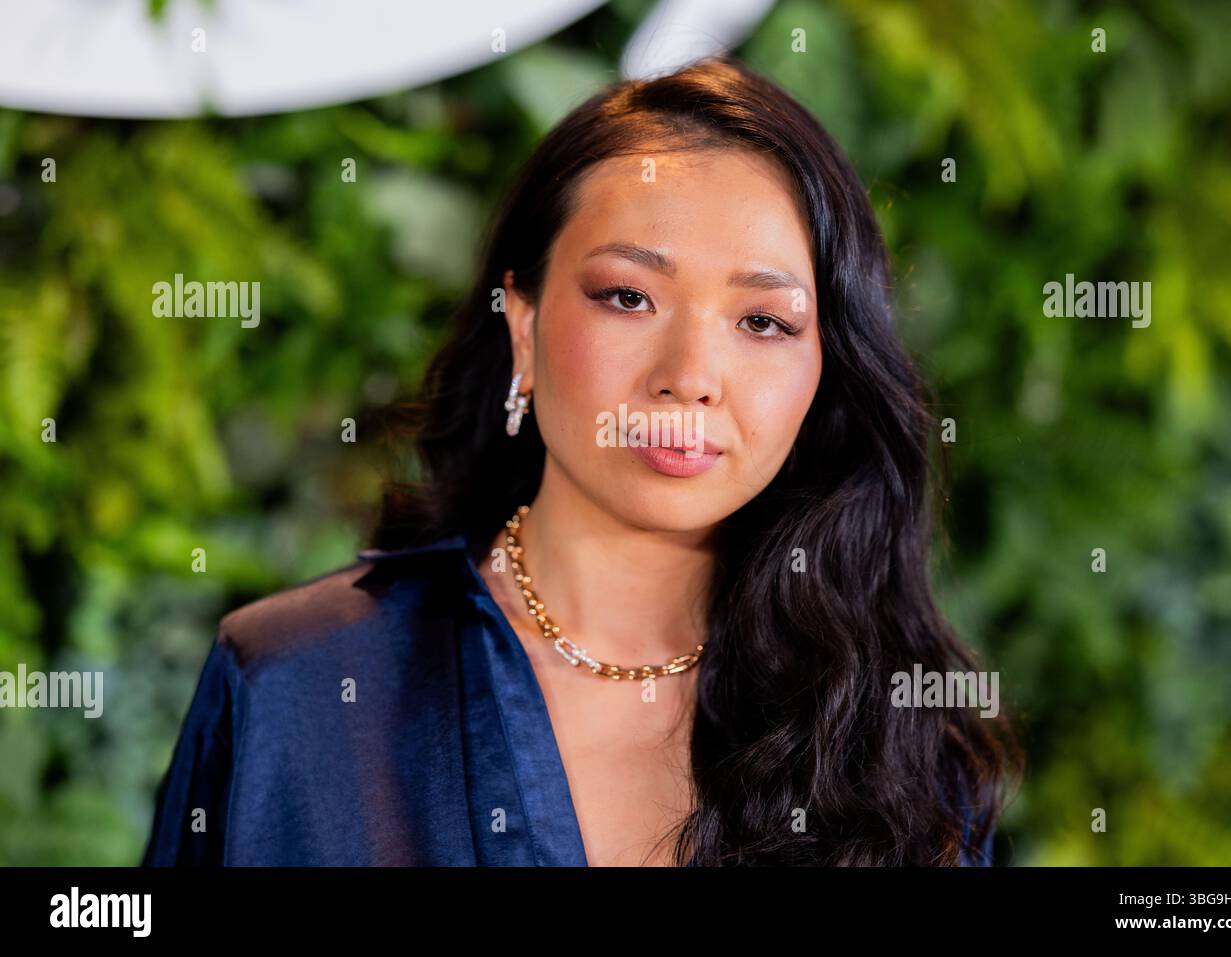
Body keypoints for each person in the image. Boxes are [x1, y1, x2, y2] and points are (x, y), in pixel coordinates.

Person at [142, 53, 1017, 867]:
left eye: (764, 322)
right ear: (521, 324)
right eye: (628, 297)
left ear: (826, 369)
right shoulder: (298, 685)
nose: (690, 379)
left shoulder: (896, 740)